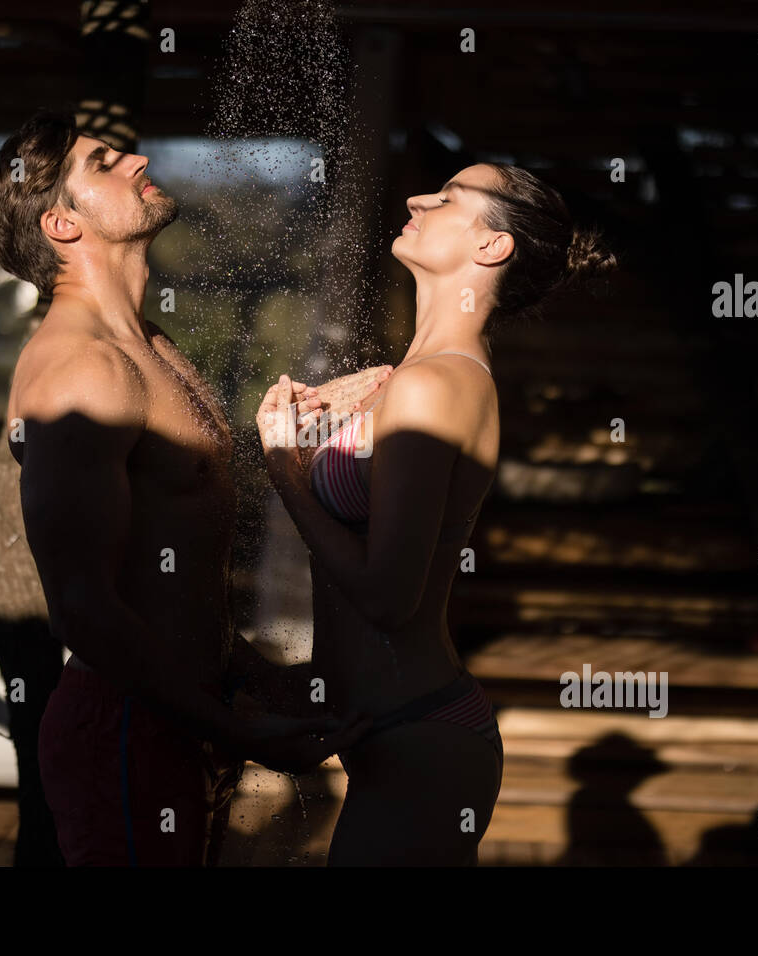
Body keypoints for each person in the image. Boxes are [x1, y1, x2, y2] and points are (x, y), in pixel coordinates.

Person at [0, 111, 376, 866]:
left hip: (184, 721)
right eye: (103, 162)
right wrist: (235, 728)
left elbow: (177, 588)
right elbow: (84, 611)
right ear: (62, 223)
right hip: (125, 730)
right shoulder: (81, 370)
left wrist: (269, 688)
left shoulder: (150, 345)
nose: (137, 158)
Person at [256, 162, 616, 864]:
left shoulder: (433, 386)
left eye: (449, 198)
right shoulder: (412, 379)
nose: (418, 196)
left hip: (419, 736)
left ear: (492, 247)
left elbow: (390, 598)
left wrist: (287, 473)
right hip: (390, 729)